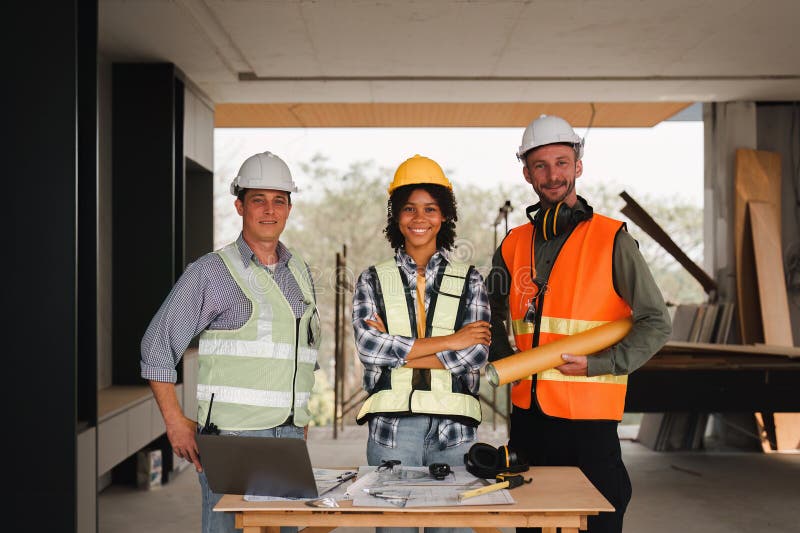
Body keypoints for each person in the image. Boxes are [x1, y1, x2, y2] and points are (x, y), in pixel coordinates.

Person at [487, 116, 671, 533]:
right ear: (526, 172)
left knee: (597, 520)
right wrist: (504, 359)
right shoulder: (514, 242)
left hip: (588, 421)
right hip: (528, 416)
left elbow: (656, 322)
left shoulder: (612, 239)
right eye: (541, 165)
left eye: (561, 162)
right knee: (531, 519)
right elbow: (488, 307)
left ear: (578, 166)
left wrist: (599, 365)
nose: (552, 175)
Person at [141, 151, 320, 533]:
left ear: (289, 208)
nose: (269, 210)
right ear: (240, 205)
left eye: (279, 200)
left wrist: (299, 421)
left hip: (288, 438)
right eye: (259, 200)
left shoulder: (300, 271)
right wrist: (174, 422)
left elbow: (302, 354)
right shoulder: (211, 272)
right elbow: (157, 346)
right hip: (234, 440)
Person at [352, 155, 491, 533]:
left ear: (444, 215)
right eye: (410, 208)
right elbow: (368, 347)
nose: (419, 218)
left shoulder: (470, 279)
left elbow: (476, 354)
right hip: (392, 431)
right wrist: (452, 340)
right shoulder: (372, 279)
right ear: (396, 216)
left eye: (430, 208)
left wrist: (398, 355)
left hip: (455, 429)